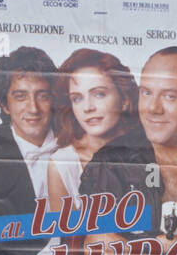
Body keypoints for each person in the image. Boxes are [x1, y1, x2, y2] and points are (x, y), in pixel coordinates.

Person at [80, 46, 177, 253]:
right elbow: (99, 251)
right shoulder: (112, 162)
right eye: (146, 93)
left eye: (169, 96)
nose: (153, 108)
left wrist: (155, 249)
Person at [0, 46, 58, 255]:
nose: (33, 108)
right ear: (4, 104)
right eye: (20, 96)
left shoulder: (80, 139)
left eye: (42, 95)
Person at [44, 49, 137, 213]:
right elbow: (66, 237)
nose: (88, 107)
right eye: (77, 98)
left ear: (124, 99)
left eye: (99, 94)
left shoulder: (149, 149)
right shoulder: (63, 163)